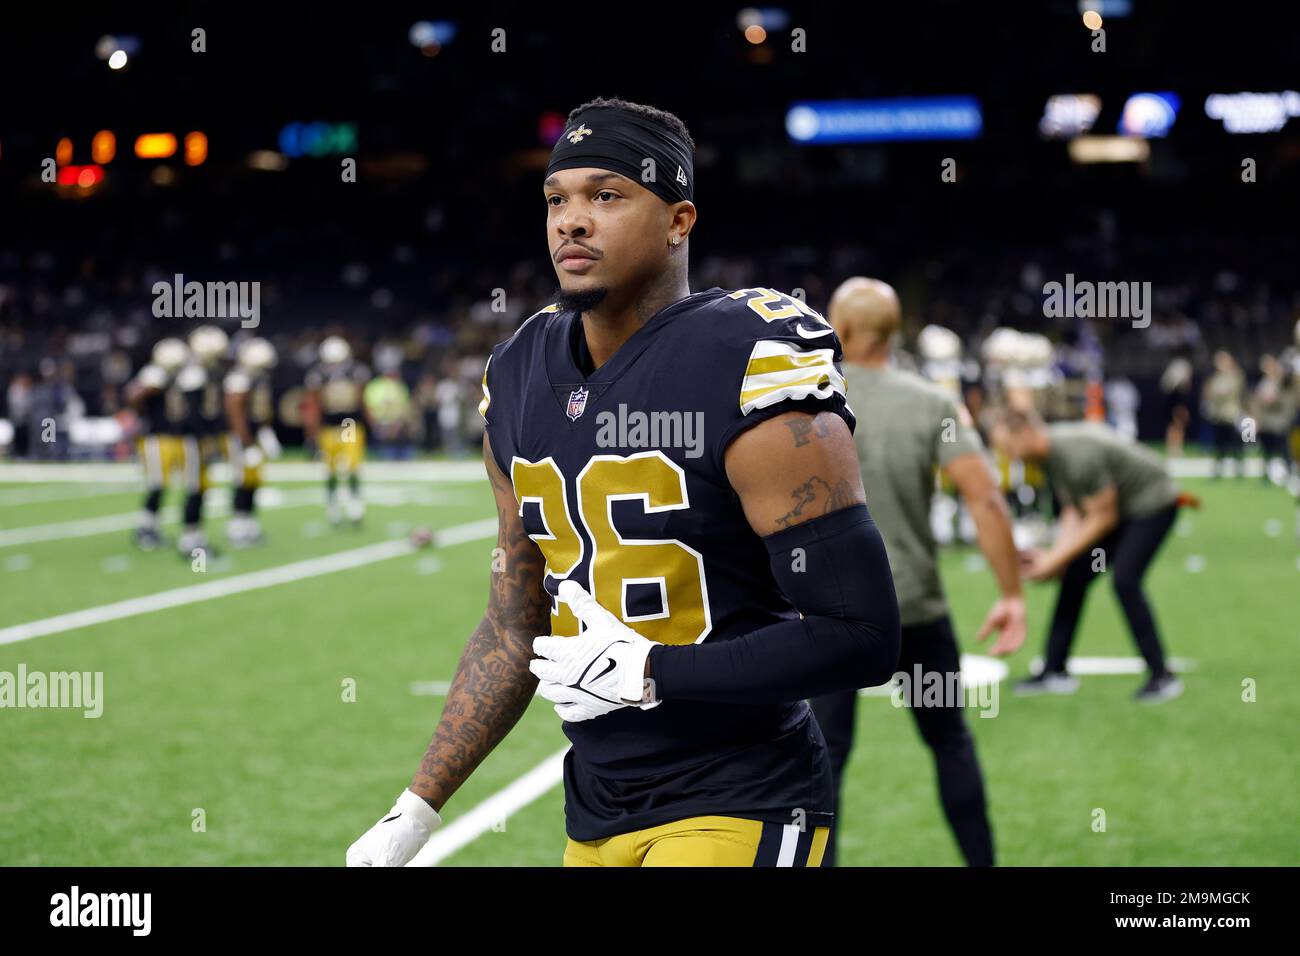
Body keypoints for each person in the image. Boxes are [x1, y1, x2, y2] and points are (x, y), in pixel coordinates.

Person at [348, 96, 900, 868]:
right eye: (556, 200)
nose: (571, 220)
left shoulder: (750, 358)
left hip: (738, 793)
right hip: (596, 806)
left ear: (679, 219)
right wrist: (418, 805)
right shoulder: (516, 376)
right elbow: (515, 623)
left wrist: (652, 670)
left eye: (606, 195)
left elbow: (862, 635)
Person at [809, 278, 1025, 867]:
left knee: (823, 758)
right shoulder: (933, 403)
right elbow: (985, 499)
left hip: (829, 611)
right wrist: (1012, 594)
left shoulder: (809, 398)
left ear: (843, 330)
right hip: (916, 606)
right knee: (950, 742)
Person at [996, 411, 1184, 702]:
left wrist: (1053, 561)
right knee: (1075, 576)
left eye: (1008, 447)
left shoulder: (1072, 453)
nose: (1008, 455)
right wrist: (1057, 557)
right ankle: (1055, 671)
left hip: (1152, 505)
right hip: (1122, 511)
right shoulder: (1050, 458)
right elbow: (1075, 511)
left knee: (1125, 581)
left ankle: (1162, 676)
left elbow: (1103, 516)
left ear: (1025, 433)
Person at [128, 338, 190, 550]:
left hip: (176, 436)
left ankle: (151, 526)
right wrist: (150, 389)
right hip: (156, 437)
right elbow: (134, 396)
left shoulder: (182, 374)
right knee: (157, 483)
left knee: (175, 483)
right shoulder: (154, 374)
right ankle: (145, 528)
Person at [303, 336, 370, 526]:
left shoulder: (356, 371)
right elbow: (314, 403)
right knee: (330, 468)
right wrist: (313, 431)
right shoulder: (318, 374)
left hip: (348, 423)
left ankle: (354, 504)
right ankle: (332, 504)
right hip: (329, 425)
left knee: (352, 465)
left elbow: (361, 398)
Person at [223, 337, 279, 547]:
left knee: (254, 480)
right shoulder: (240, 378)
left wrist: (265, 432)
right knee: (242, 480)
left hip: (254, 436)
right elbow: (235, 413)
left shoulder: (259, 377)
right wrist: (246, 442)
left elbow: (261, 409)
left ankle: (249, 522)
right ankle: (237, 525)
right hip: (241, 439)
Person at [1202, 350, 1245, 477]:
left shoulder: (1235, 375)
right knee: (1218, 445)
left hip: (1231, 415)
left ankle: (1239, 469)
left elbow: (1230, 391)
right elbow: (1209, 393)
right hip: (1218, 416)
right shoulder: (1215, 378)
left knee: (1235, 444)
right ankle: (1218, 469)